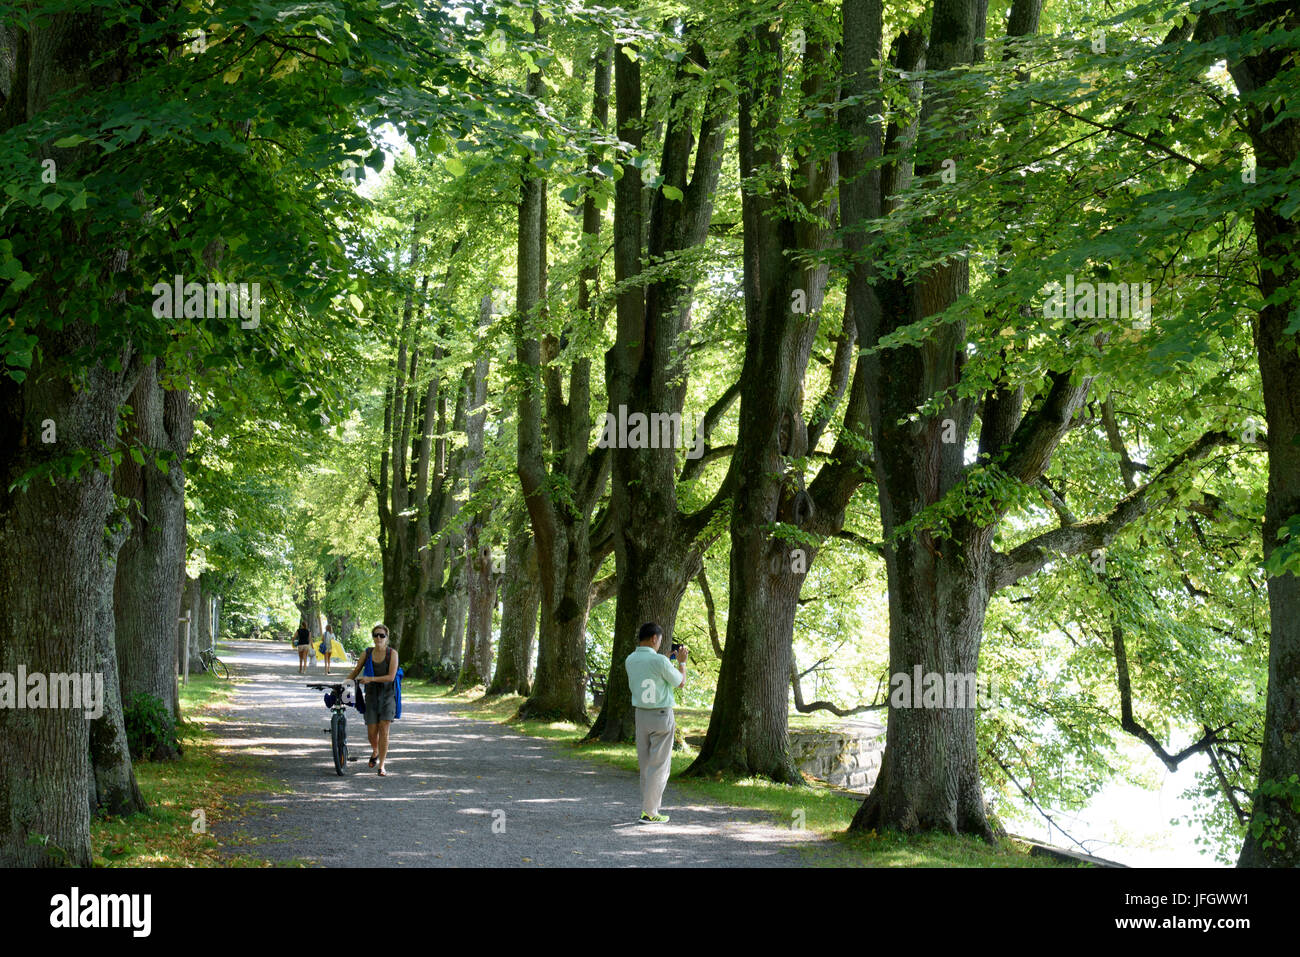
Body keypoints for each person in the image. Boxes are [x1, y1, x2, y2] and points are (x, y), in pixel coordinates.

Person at [623, 622, 687, 823]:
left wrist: (666, 661)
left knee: (646, 764)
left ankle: (648, 808)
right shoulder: (660, 661)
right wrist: (681, 662)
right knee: (659, 766)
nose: (660, 643)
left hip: (641, 715)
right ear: (653, 638)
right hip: (661, 715)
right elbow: (680, 682)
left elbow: (649, 673)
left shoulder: (630, 659)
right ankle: (650, 813)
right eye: (659, 639)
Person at [348, 624, 400, 776]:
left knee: (384, 729)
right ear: (373, 637)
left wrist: (371, 678)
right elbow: (356, 670)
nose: (378, 638)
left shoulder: (392, 654)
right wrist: (345, 684)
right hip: (371, 696)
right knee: (372, 733)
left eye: (382, 635)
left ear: (387, 637)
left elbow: (391, 677)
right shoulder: (367, 653)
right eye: (376, 635)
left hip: (388, 695)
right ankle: (375, 750)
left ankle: (382, 766)